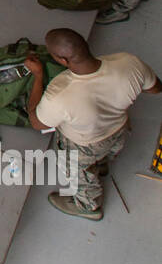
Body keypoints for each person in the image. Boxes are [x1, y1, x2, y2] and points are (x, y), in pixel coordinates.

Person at [25, 28, 161, 220]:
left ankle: (88, 206)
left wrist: (38, 76)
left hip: (83, 144)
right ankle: (101, 165)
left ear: (64, 60)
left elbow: (36, 122)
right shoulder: (128, 62)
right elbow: (155, 88)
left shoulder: (60, 93)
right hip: (119, 131)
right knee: (106, 153)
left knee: (79, 172)